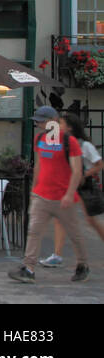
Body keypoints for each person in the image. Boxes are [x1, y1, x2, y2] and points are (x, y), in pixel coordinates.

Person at [10, 106, 90, 284]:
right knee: (34, 232)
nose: (38, 124)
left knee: (74, 234)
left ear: (53, 120)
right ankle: (29, 268)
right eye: (37, 121)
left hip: (63, 196)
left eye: (41, 120)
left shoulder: (69, 141)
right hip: (42, 195)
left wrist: (69, 194)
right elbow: (38, 165)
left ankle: (83, 264)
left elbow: (77, 171)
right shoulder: (40, 139)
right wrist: (34, 188)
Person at [41, 112, 104, 268]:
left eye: (60, 123)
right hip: (68, 185)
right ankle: (57, 254)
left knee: (91, 221)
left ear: (69, 127)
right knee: (59, 218)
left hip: (84, 186)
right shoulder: (62, 143)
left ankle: (63, 256)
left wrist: (84, 174)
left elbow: (99, 164)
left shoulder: (84, 145)